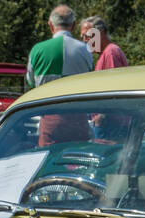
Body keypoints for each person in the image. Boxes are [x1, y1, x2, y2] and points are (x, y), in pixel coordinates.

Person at [27, 6, 94, 146]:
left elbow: (31, 83)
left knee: (49, 163)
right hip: (79, 121)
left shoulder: (37, 50)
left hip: (50, 119)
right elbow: (92, 83)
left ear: (50, 25)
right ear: (74, 25)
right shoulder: (85, 50)